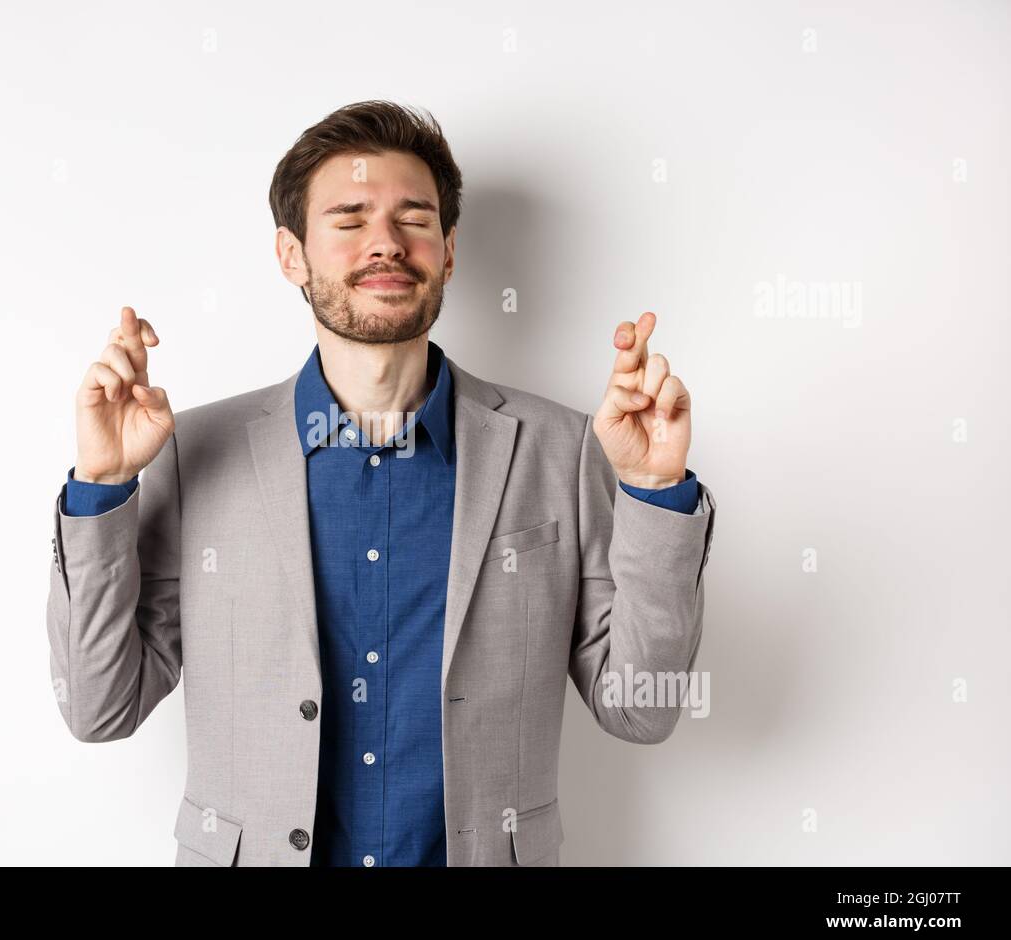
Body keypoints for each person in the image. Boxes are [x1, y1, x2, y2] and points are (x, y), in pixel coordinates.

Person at [46, 100, 716, 867]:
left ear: (449, 249)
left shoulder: (562, 450)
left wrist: (653, 492)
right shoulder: (190, 453)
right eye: (350, 217)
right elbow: (99, 710)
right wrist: (102, 485)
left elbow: (639, 710)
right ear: (291, 254)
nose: (386, 244)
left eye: (414, 218)